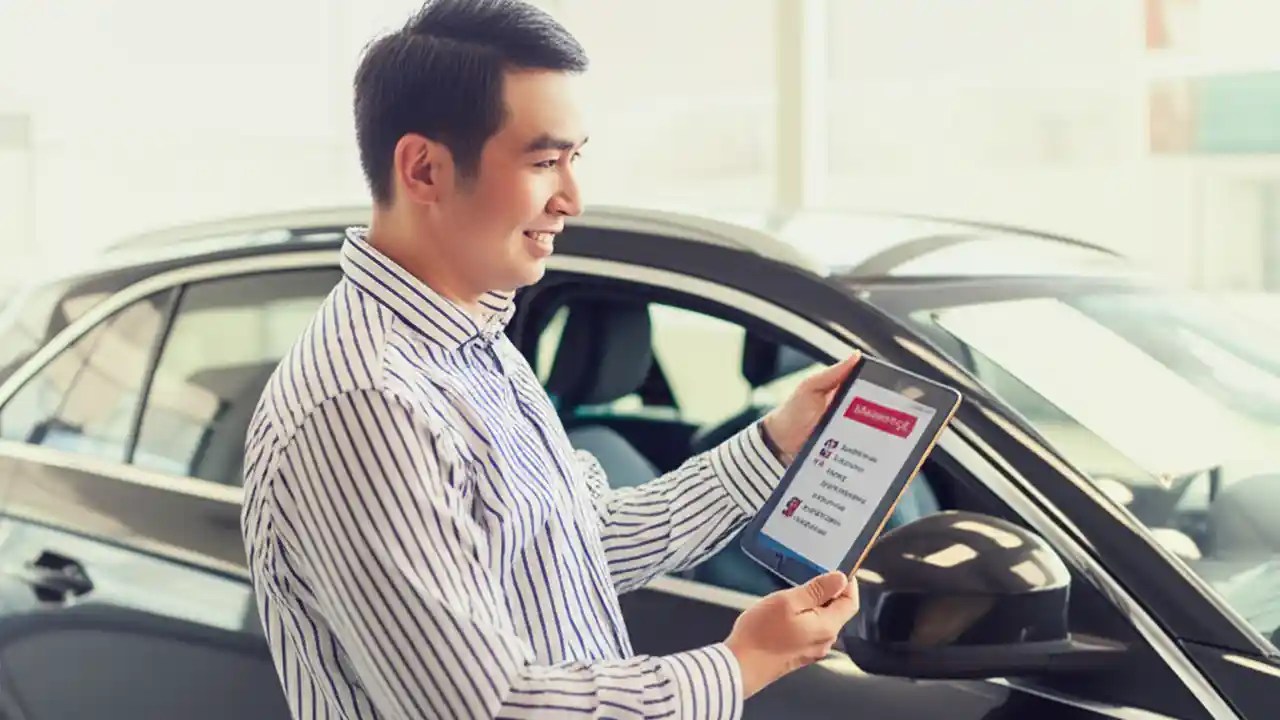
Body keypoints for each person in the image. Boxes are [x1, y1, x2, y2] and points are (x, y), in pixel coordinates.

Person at [240, 0, 862, 717]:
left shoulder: (474, 345)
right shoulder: (366, 402)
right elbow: (487, 708)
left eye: (576, 158)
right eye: (544, 161)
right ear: (423, 169)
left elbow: (570, 543)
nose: (573, 198)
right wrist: (743, 663)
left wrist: (773, 444)